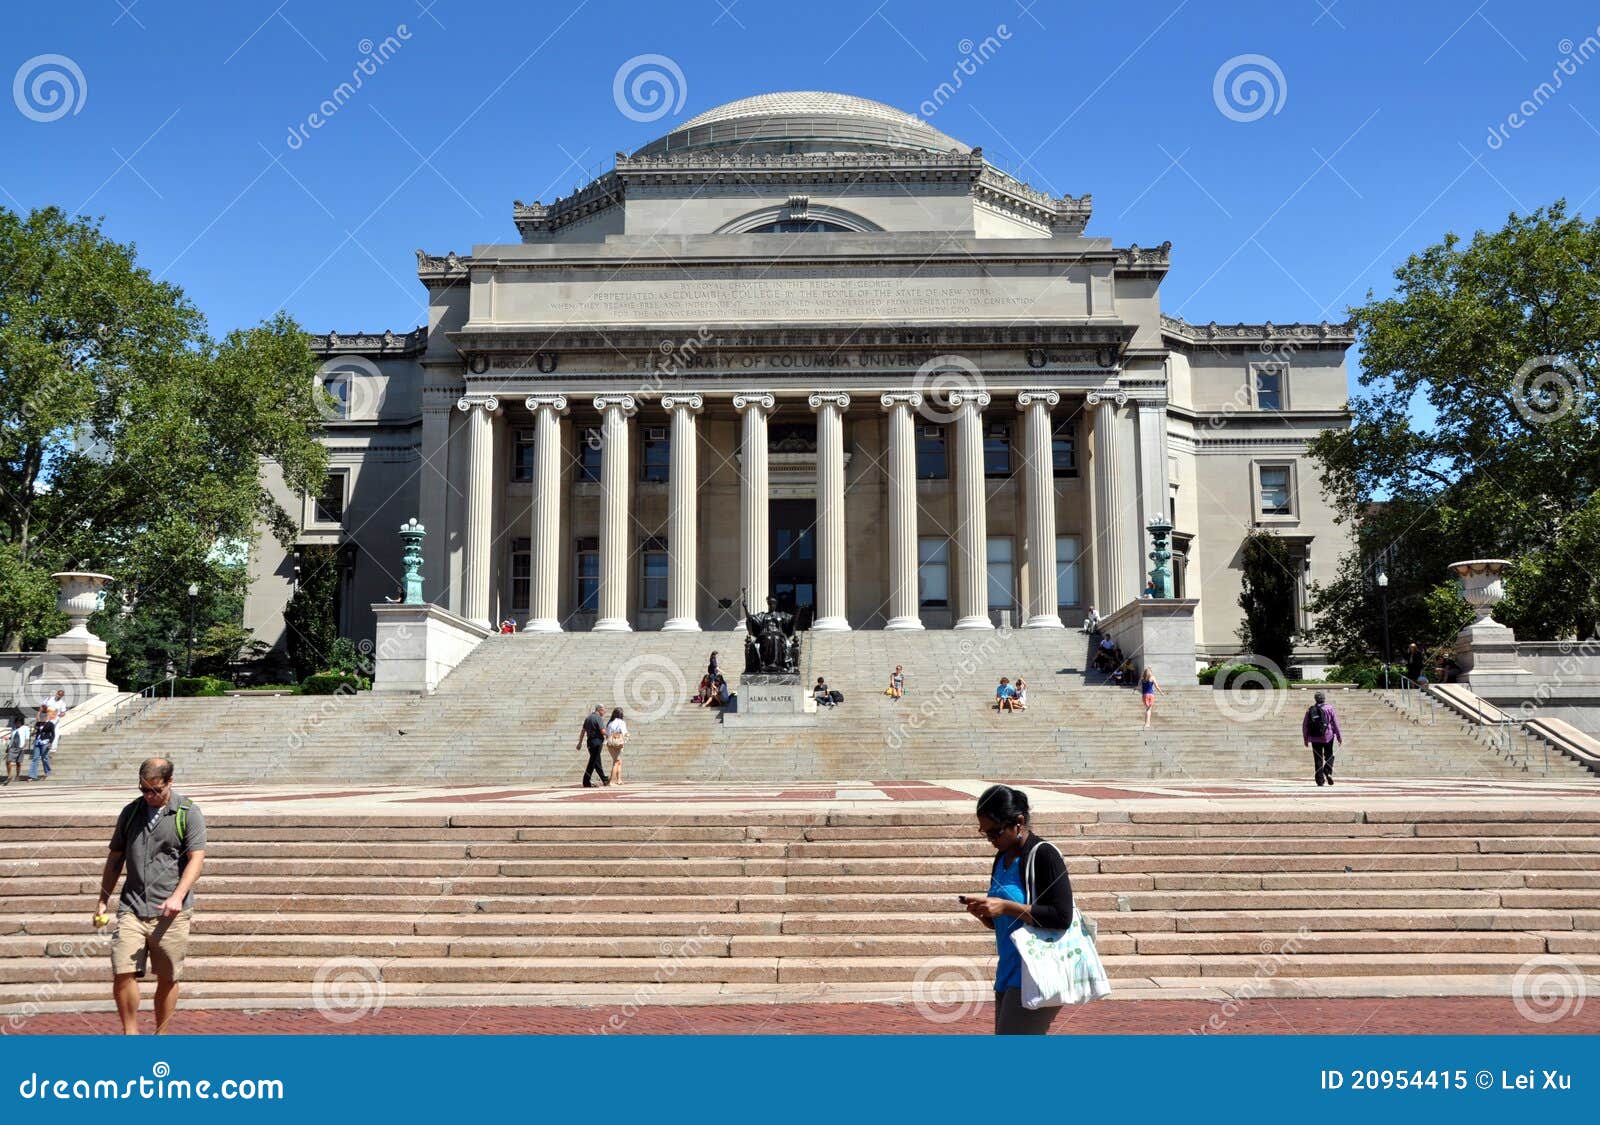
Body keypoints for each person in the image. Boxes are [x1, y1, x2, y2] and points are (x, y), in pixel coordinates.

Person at [96, 757, 207, 1034]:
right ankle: (131, 1034)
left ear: (170, 782)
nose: (149, 796)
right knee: (122, 971)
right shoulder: (131, 812)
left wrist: (178, 896)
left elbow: (196, 859)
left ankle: (161, 1035)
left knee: (167, 977)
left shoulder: (187, 812)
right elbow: (115, 858)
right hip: (131, 906)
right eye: (143, 790)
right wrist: (102, 900)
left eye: (155, 790)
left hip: (171, 912)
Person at [963, 784, 1074, 1035]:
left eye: (995, 832)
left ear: (1019, 822)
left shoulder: (1044, 855)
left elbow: (1061, 916)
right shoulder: (1001, 858)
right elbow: (1008, 922)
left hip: (1035, 973)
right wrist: (986, 915)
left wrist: (1005, 906)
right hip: (1008, 972)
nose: (991, 840)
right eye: (985, 833)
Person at [1302, 690, 1344, 787]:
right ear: (1324, 699)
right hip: (1328, 736)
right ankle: (1327, 771)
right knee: (1329, 755)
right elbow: (1335, 723)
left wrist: (1306, 738)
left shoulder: (1310, 710)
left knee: (1318, 758)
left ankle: (1320, 781)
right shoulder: (1329, 708)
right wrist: (1339, 736)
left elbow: (1305, 725)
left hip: (1314, 737)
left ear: (1315, 699)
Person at [576, 704, 609, 788]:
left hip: (590, 742)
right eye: (604, 710)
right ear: (600, 710)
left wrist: (580, 743)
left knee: (596, 761)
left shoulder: (588, 718)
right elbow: (602, 731)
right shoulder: (598, 718)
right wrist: (609, 735)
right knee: (593, 761)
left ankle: (604, 779)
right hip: (597, 742)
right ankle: (586, 781)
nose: (604, 712)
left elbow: (583, 731)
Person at [604, 707, 628, 786]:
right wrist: (626, 739)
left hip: (610, 742)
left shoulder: (610, 722)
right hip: (618, 742)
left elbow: (606, 733)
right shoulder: (621, 722)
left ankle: (619, 779)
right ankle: (611, 781)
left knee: (619, 761)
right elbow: (624, 732)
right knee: (616, 762)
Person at [3, 716, 27, 786]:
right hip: (12, 747)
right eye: (16, 722)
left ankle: (17, 775)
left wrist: (24, 745)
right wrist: (8, 738)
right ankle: (9, 776)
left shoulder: (25, 728)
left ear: (21, 723)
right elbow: (12, 736)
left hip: (20, 747)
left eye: (18, 722)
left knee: (18, 763)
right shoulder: (13, 728)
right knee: (8, 761)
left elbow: (27, 738)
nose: (17, 724)